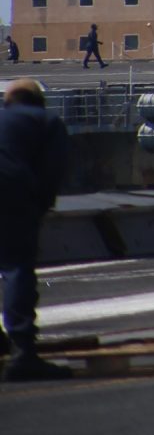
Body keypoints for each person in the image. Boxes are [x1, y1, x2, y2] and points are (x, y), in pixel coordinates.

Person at [1, 79, 74, 382]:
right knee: (16, 265)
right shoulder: (46, 120)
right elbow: (53, 170)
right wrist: (38, 208)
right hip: (11, 191)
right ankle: (22, 351)